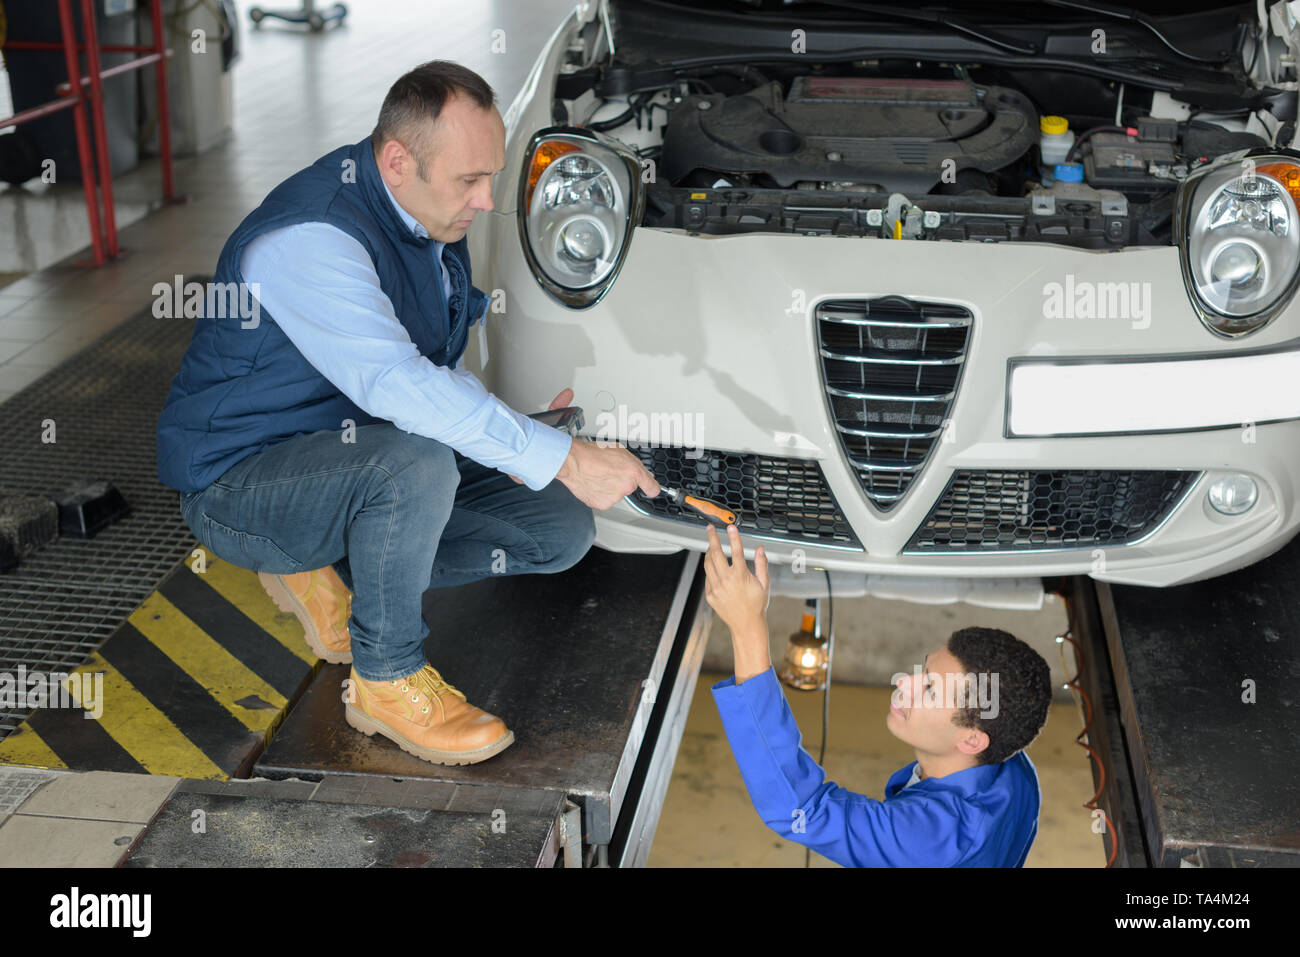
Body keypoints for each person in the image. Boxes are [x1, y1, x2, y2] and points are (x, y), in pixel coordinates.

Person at [156, 60, 658, 766]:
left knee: (559, 527)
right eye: (470, 181)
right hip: (241, 482)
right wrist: (563, 458)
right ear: (397, 161)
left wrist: (524, 438)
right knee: (413, 467)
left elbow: (432, 375)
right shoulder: (313, 237)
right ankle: (386, 679)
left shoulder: (426, 223)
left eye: (493, 177)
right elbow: (398, 386)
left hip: (353, 459)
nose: (487, 201)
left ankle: (328, 567)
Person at [702, 523, 1051, 867]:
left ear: (973, 741)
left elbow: (803, 810)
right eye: (923, 671)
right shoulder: (1013, 766)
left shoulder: (931, 839)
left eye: (929, 690)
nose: (903, 684)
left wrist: (747, 627)